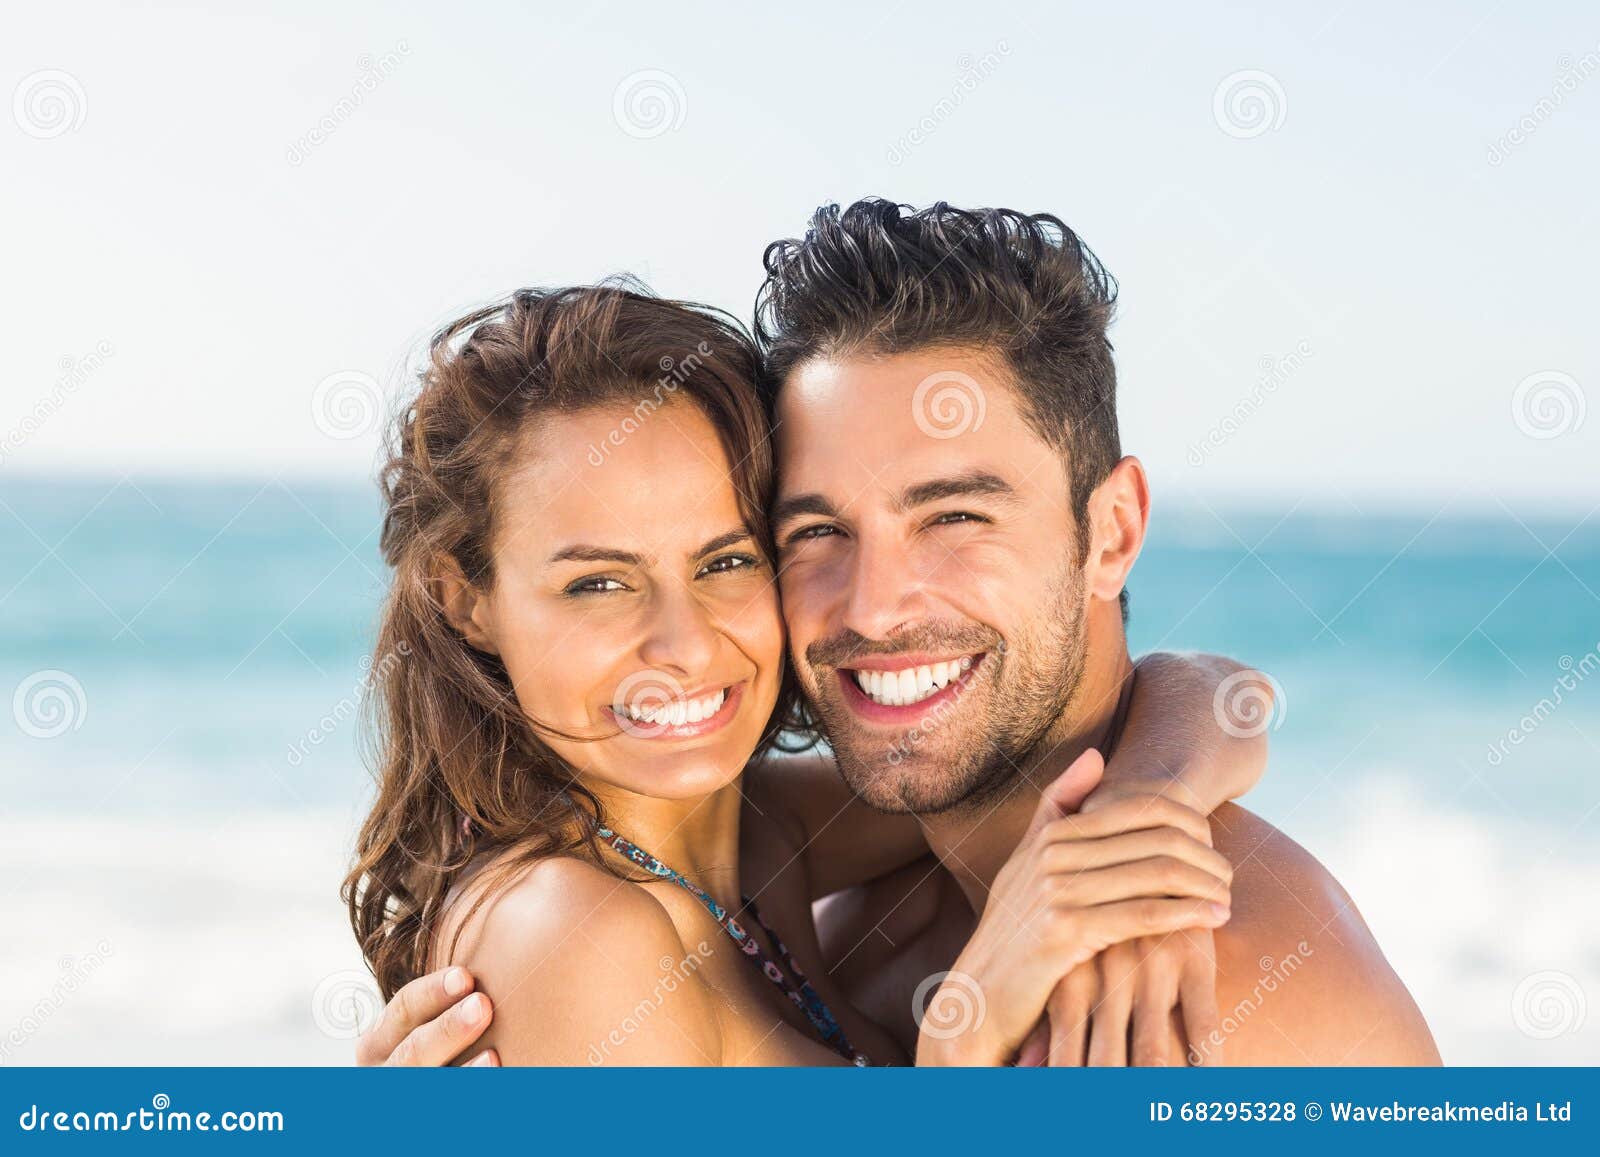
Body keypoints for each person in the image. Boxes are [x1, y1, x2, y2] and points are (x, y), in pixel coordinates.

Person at [345, 276, 1267, 1067]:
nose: (686, 645)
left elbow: (1213, 693)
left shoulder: (757, 830)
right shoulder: (577, 935)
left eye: (726, 561)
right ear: (465, 598)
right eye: (598, 582)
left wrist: (1141, 807)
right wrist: (963, 1033)